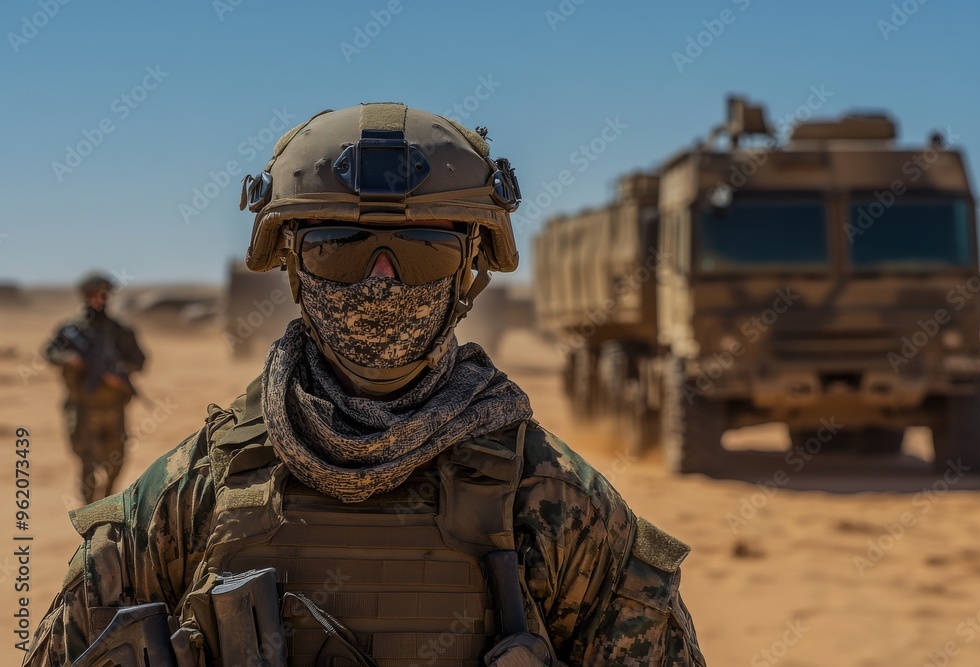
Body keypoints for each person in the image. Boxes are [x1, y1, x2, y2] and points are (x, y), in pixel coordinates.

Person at [24, 104, 705, 666]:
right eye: (339, 249)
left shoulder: (555, 500)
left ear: (469, 266)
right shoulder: (195, 489)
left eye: (421, 251)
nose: (381, 283)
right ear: (293, 265)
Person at [41, 271, 146, 505]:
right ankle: (88, 510)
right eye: (94, 295)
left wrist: (119, 373)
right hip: (84, 406)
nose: (99, 299)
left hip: (113, 406)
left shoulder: (120, 330)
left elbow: (140, 360)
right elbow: (49, 352)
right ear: (85, 296)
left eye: (103, 294)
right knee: (87, 460)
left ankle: (108, 498)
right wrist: (69, 359)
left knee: (116, 460)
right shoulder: (71, 329)